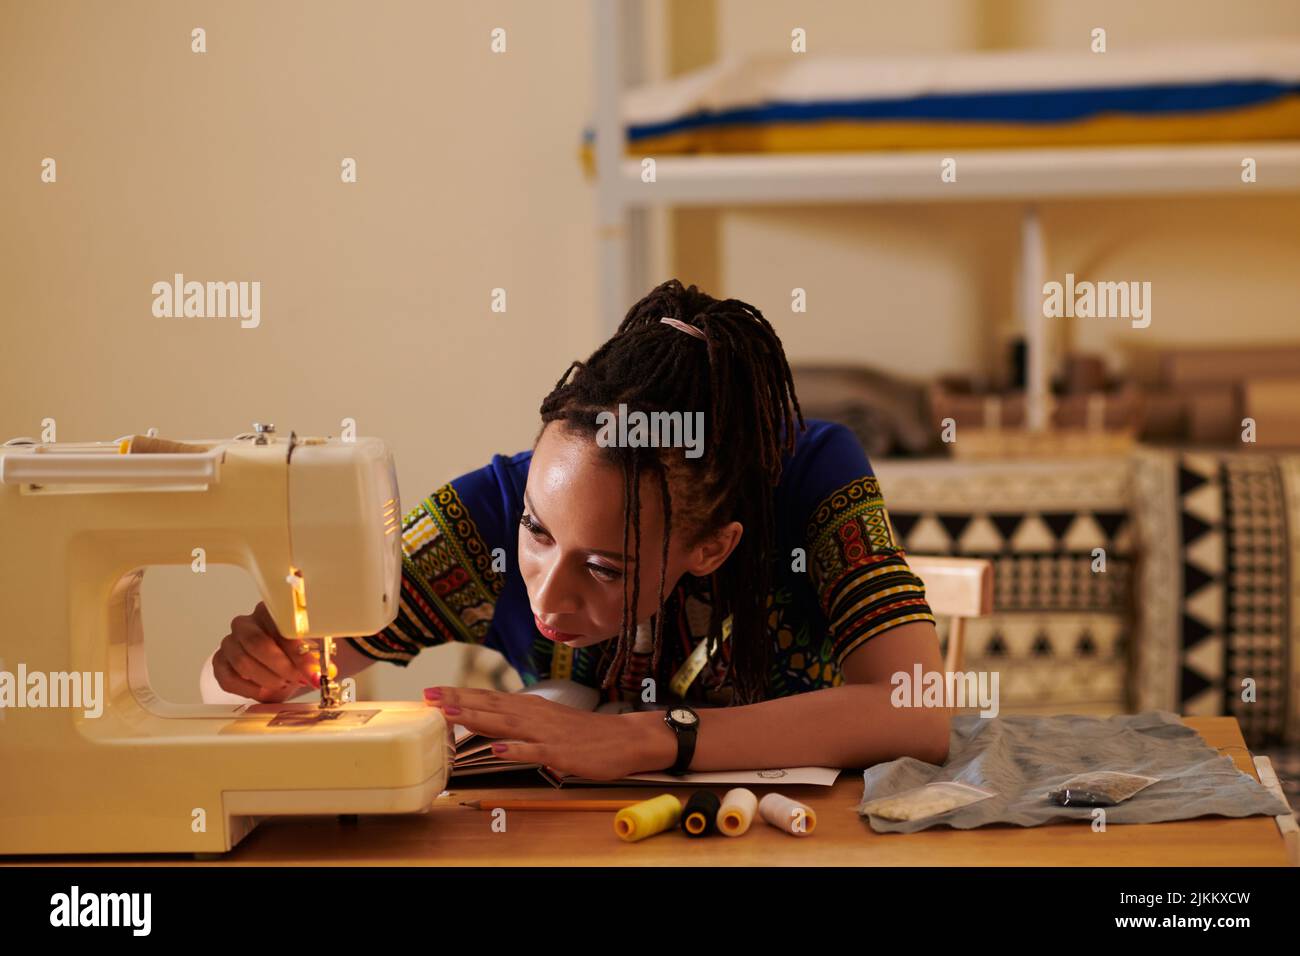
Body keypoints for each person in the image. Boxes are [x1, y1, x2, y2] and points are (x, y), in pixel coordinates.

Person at [214, 279, 951, 780]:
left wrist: (641, 739)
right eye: (537, 533)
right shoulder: (485, 515)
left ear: (713, 547)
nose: (549, 601)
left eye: (604, 568)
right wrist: (268, 665)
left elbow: (916, 708)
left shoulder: (812, 477)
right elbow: (316, 653)